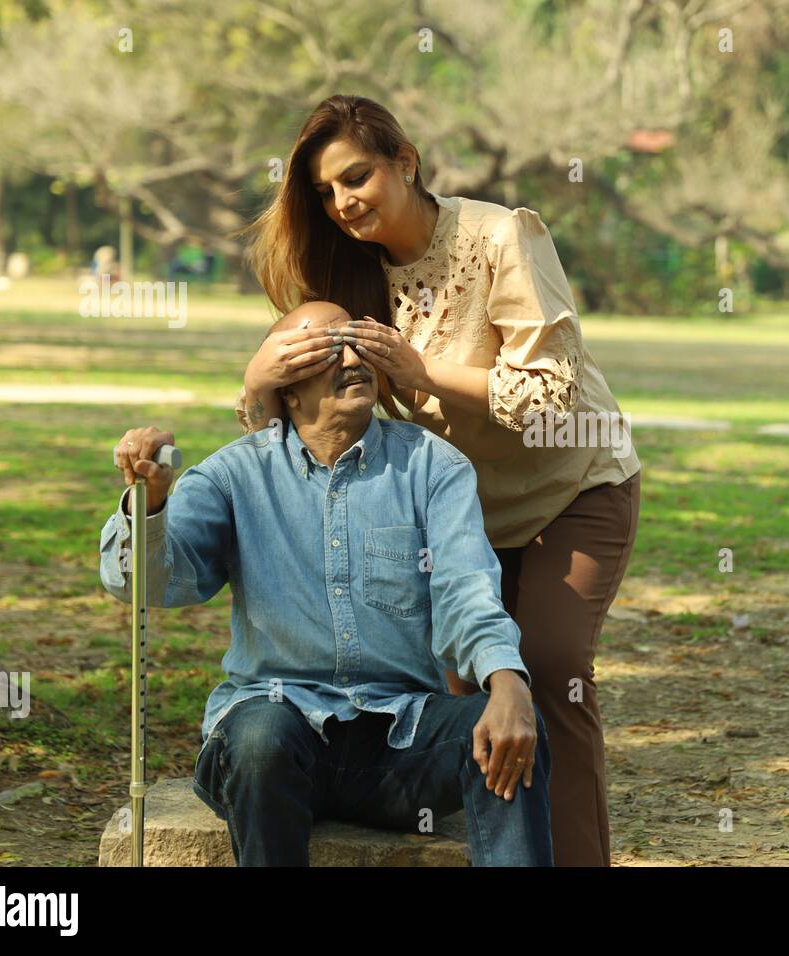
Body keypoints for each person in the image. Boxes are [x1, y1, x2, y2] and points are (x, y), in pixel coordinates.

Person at [236, 95, 641, 866]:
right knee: (463, 699)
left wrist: (423, 373)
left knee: (549, 668)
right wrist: (258, 381)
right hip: (458, 518)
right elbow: (293, 426)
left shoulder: (501, 235)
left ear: (406, 161)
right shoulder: (348, 277)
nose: (343, 201)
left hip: (572, 488)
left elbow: (549, 392)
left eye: (356, 176)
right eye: (325, 192)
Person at [98, 300, 553, 867]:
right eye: (323, 349)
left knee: (508, 731)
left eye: (355, 342)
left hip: (397, 743)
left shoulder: (433, 466)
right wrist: (152, 502)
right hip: (273, 737)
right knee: (261, 737)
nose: (350, 357)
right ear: (286, 389)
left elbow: (466, 588)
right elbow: (147, 585)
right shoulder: (234, 473)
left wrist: (506, 681)